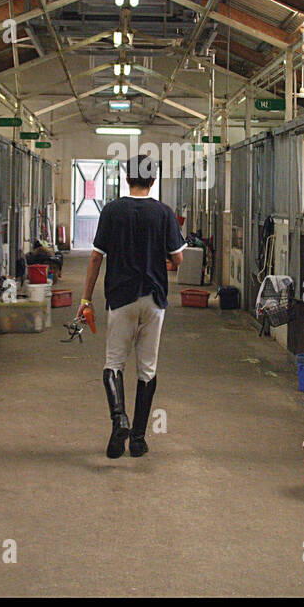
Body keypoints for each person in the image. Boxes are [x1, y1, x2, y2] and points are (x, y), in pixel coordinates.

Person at [79, 155, 185, 459]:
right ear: (153, 180)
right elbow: (178, 259)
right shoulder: (164, 213)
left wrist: (86, 300)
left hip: (120, 298)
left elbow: (97, 257)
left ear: (127, 178)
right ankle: (138, 439)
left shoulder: (111, 211)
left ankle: (119, 420)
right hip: (154, 300)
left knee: (114, 363)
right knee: (147, 369)